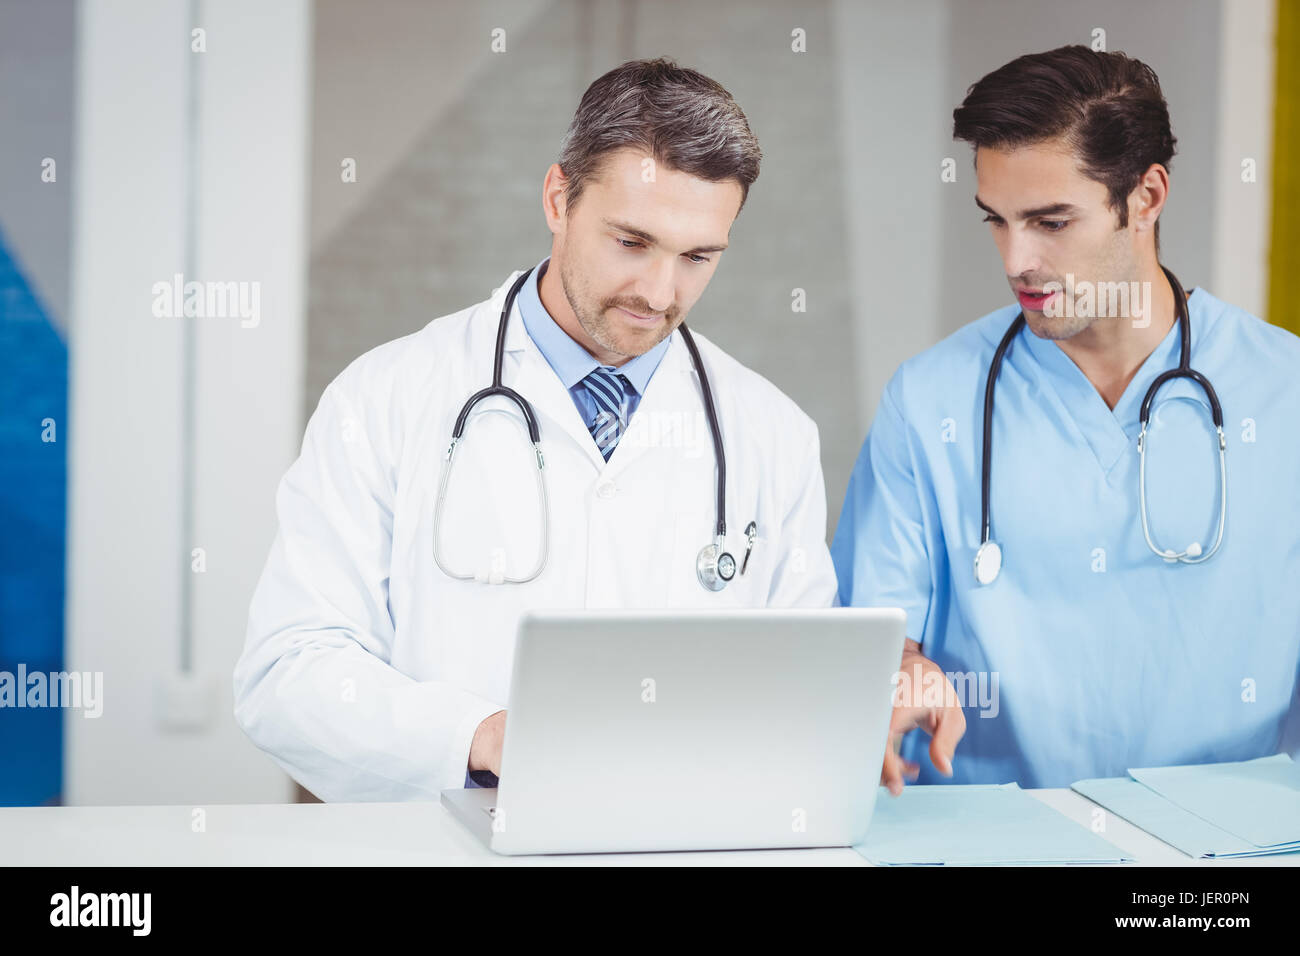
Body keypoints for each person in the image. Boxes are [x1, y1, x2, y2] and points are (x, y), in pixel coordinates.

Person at [234, 58, 838, 801]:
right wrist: (478, 734)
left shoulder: (771, 434)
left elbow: (806, 691)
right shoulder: (385, 398)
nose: (658, 292)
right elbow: (288, 672)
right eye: (632, 242)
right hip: (444, 844)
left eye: (697, 257)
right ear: (559, 199)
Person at [833, 46, 1300, 792]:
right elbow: (873, 638)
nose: (1018, 259)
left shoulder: (1285, 393)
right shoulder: (930, 403)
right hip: (994, 843)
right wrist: (898, 674)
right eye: (998, 220)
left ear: (1146, 197)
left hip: (1218, 863)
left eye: (1051, 221)